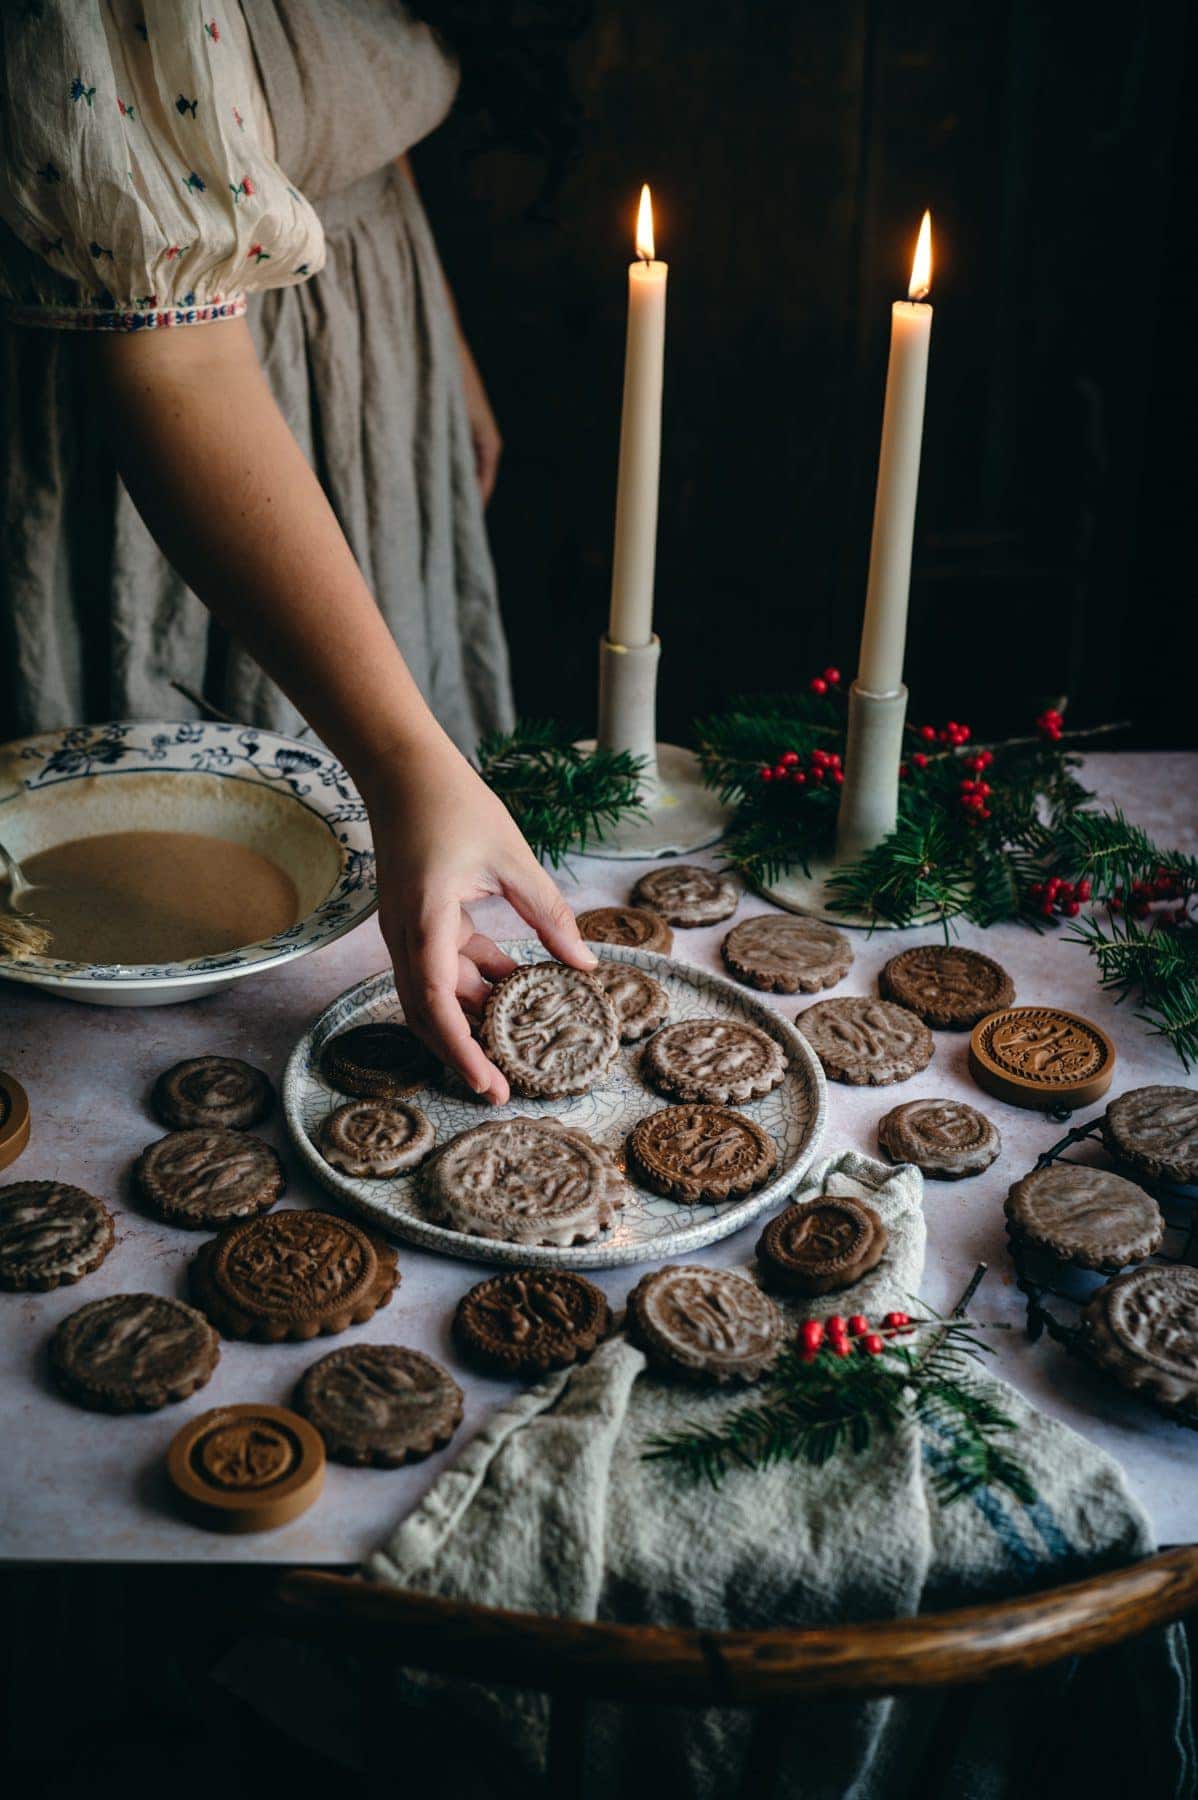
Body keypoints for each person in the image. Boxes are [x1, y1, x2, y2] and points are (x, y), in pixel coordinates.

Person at [0, 1, 595, 1099]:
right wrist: (407, 761)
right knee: (148, 963)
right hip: (174, 420)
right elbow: (174, 363)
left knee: (399, 869)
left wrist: (438, 338)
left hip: (367, 354)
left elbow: (329, 106)